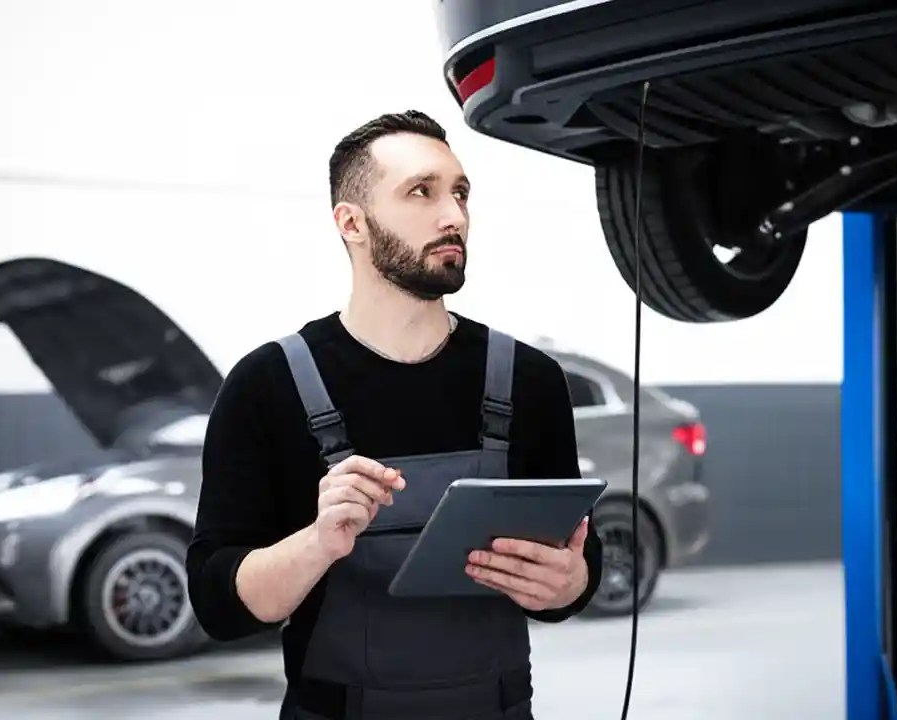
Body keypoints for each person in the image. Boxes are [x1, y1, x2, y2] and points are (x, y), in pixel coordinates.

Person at [186, 109, 603, 720]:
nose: (453, 215)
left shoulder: (529, 380)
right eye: (421, 192)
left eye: (460, 193)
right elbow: (217, 604)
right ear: (351, 222)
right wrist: (317, 544)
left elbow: (577, 564)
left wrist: (571, 583)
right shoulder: (266, 385)